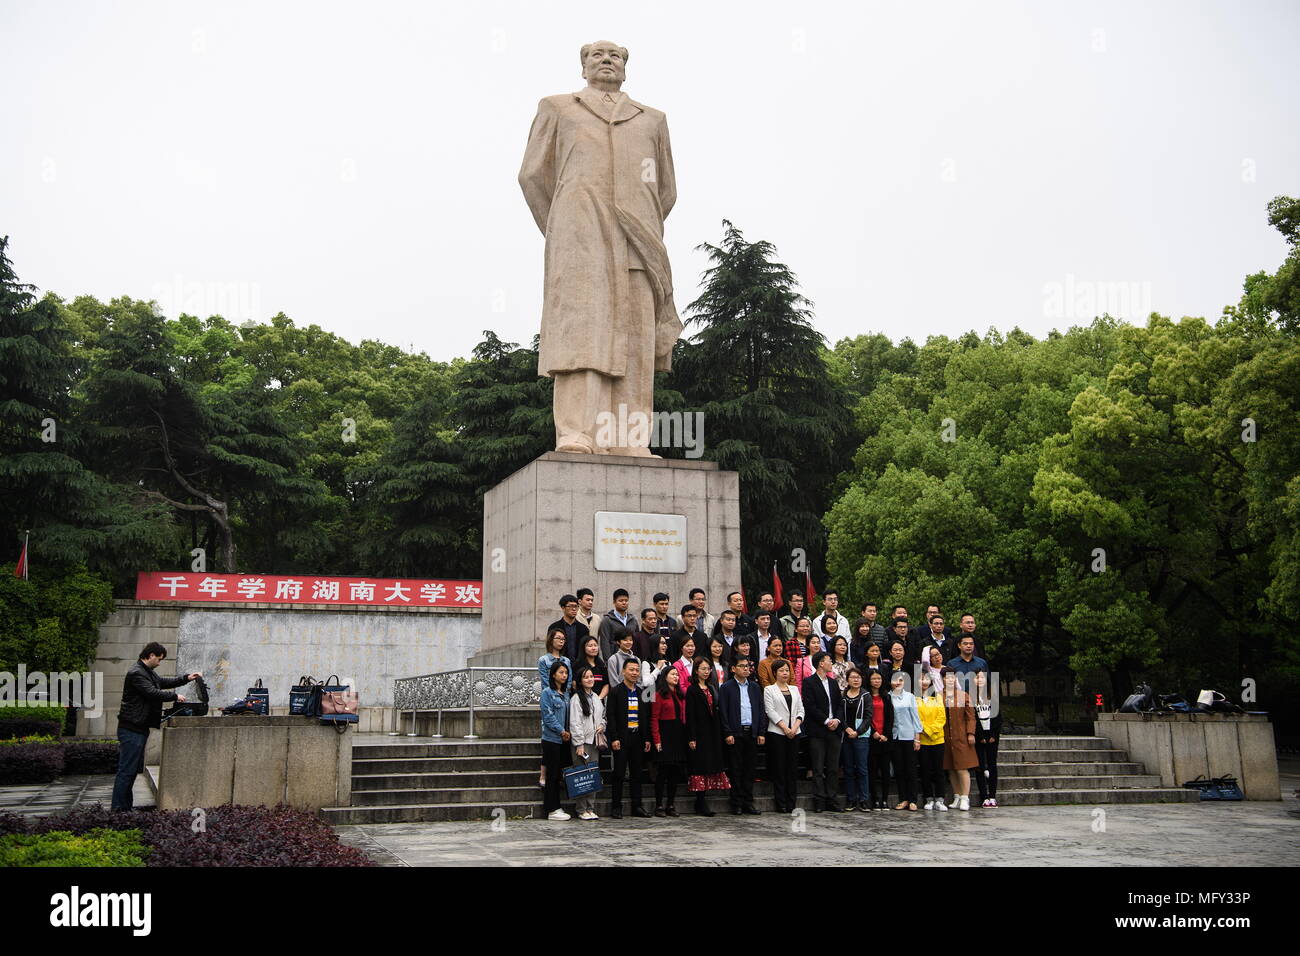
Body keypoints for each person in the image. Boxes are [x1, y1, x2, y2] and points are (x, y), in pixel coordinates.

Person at [113, 642, 200, 811]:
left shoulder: (146, 672)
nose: (159, 663)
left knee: (130, 771)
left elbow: (162, 682)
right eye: (159, 660)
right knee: (126, 771)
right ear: (151, 655)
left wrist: (186, 678)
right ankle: (119, 810)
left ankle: (124, 808)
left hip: (138, 727)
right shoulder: (136, 673)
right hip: (131, 728)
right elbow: (152, 693)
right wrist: (175, 696)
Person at [605, 657, 653, 818]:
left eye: (637, 670)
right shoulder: (615, 691)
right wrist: (614, 738)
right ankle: (616, 807)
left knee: (637, 773)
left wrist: (647, 738)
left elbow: (645, 717)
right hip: (621, 738)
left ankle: (637, 806)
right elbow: (610, 716)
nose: (634, 673)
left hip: (637, 737)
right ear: (623, 671)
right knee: (618, 773)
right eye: (631, 670)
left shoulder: (642, 692)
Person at [719, 657, 766, 815]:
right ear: (733, 669)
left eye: (747, 666)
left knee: (750, 769)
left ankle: (748, 801)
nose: (746, 669)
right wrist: (727, 732)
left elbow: (760, 710)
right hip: (735, 733)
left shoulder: (754, 687)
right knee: (736, 769)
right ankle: (736, 803)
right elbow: (723, 712)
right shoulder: (726, 687)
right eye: (742, 666)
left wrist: (760, 732)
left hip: (751, 733)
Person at [685, 656, 730, 815]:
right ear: (696, 671)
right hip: (699, 732)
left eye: (708, 669)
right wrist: (691, 737)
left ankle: (703, 801)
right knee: (699, 766)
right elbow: (689, 715)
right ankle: (700, 801)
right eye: (703, 669)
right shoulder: (692, 689)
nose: (706, 672)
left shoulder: (712, 688)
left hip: (712, 732)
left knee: (711, 764)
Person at [801, 650, 844, 812]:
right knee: (818, 768)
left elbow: (839, 704)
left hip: (834, 729)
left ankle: (832, 799)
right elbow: (810, 706)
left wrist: (837, 720)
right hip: (818, 730)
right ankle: (819, 800)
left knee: (833, 767)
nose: (831, 663)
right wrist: (826, 720)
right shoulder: (809, 682)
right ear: (821, 663)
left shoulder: (833, 682)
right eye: (829, 660)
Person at [763, 659, 804, 813]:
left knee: (792, 769)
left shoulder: (794, 689)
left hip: (795, 732)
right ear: (775, 673)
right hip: (777, 732)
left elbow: (801, 710)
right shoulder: (769, 690)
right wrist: (785, 728)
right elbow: (770, 711)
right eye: (781, 670)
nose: (785, 673)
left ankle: (791, 802)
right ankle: (780, 802)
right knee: (780, 768)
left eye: (787, 670)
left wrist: (794, 727)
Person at [568, 665, 606, 821]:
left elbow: (602, 715)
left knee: (593, 774)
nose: (589, 679)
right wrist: (579, 743)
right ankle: (581, 808)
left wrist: (602, 725)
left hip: (594, 741)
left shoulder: (596, 697)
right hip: (582, 743)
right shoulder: (576, 699)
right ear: (580, 680)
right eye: (586, 677)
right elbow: (575, 722)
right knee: (582, 775)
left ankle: (591, 807)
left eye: (591, 677)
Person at [650, 664, 688, 816]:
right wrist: (657, 739)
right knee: (663, 773)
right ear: (665, 677)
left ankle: (670, 804)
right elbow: (654, 718)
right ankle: (659, 805)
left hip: (678, 734)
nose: (676, 677)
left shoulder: (680, 694)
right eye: (672, 674)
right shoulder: (658, 694)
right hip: (665, 734)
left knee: (675, 773)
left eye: (677, 675)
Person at [537, 627, 572, 790]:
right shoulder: (544, 660)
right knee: (549, 738)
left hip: (564, 699)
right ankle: (543, 774)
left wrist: (564, 693)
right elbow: (545, 680)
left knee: (564, 740)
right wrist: (552, 693)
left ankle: (562, 773)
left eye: (563, 639)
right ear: (551, 640)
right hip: (551, 698)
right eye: (558, 638)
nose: (560, 641)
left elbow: (569, 680)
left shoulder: (567, 661)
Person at [539, 659, 572, 821]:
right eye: (561, 672)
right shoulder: (547, 692)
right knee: (551, 775)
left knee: (558, 774)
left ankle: (556, 805)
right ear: (553, 674)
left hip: (564, 739)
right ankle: (552, 808)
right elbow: (548, 716)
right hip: (552, 738)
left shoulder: (566, 694)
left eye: (566, 673)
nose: (564, 675)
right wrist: (561, 731)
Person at [942, 667, 978, 811]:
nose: (949, 680)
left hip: (961, 736)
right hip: (945, 737)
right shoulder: (939, 696)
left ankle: (965, 797)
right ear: (942, 679)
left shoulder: (964, 695)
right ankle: (956, 795)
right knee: (951, 768)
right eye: (946, 677)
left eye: (952, 677)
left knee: (962, 768)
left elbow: (970, 717)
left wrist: (971, 733)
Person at [888, 671, 922, 812]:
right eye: (895, 680)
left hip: (908, 736)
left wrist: (917, 738)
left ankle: (913, 799)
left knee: (911, 769)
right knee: (899, 769)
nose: (898, 683)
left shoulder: (910, 697)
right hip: (895, 737)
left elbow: (915, 717)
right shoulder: (888, 697)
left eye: (901, 680)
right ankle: (903, 799)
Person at [840, 667, 872, 812]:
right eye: (853, 677)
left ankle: (864, 799)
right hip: (846, 735)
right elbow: (839, 714)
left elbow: (868, 716)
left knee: (862, 768)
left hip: (861, 736)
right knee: (848, 769)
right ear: (847, 680)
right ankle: (851, 799)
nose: (856, 680)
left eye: (858, 677)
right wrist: (847, 729)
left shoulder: (866, 695)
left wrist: (857, 732)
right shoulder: (843, 695)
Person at [916, 671, 947, 811]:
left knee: (939, 770)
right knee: (925, 770)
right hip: (922, 740)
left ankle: (940, 799)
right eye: (921, 679)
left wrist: (930, 730)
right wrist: (924, 730)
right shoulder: (914, 698)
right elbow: (916, 718)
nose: (924, 682)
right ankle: (928, 798)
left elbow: (941, 717)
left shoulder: (937, 697)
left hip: (937, 738)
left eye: (926, 679)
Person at [865, 670, 894, 810]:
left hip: (885, 737)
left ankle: (885, 799)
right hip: (872, 737)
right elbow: (866, 717)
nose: (876, 681)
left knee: (885, 771)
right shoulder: (866, 696)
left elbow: (890, 717)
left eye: (879, 678)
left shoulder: (886, 697)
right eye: (874, 678)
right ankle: (875, 799)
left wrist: (886, 734)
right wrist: (874, 733)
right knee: (873, 770)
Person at [973, 669, 1001, 808]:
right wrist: (980, 736)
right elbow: (973, 719)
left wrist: (992, 735)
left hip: (992, 737)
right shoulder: (972, 698)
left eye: (982, 678)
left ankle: (992, 796)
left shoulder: (993, 697)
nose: (980, 680)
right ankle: (984, 796)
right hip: (979, 737)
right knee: (980, 767)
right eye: (977, 678)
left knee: (992, 766)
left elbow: (997, 718)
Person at [548, 594, 590, 664]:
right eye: (570, 606)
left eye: (576, 606)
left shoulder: (584, 629)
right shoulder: (554, 627)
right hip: (559, 665)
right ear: (563, 608)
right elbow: (550, 647)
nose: (574, 609)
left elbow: (586, 649)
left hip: (579, 667)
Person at [598, 588, 636, 659]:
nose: (624, 603)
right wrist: (608, 661)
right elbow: (605, 642)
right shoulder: (607, 620)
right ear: (614, 602)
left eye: (626, 600)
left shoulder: (633, 619)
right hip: (614, 658)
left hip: (631, 658)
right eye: (620, 601)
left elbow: (636, 640)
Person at [575, 635, 609, 700]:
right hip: (583, 700)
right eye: (590, 646)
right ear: (583, 648)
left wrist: (598, 699)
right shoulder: (578, 665)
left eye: (595, 645)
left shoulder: (601, 664)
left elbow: (606, 684)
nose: (593, 648)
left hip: (599, 700)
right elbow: (575, 684)